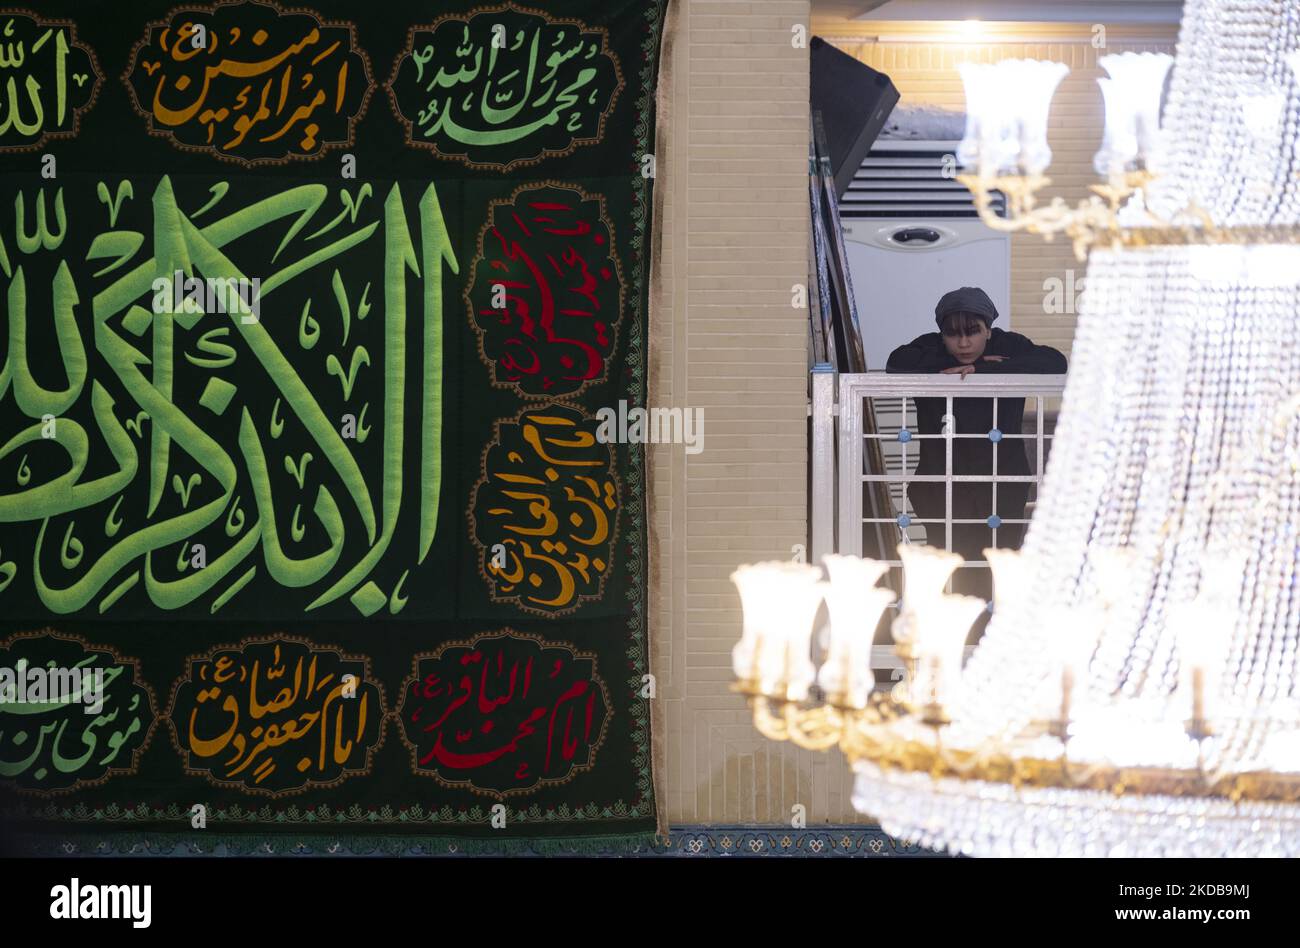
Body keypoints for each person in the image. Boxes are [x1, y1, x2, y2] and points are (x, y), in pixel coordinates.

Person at [886, 287, 1067, 624]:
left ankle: (990, 649)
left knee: (998, 572)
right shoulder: (929, 347)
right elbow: (896, 362)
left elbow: (1055, 362)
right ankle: (954, 643)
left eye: (973, 333)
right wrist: (959, 366)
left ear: (988, 329)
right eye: (953, 335)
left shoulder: (1009, 346)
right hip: (940, 486)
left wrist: (981, 370)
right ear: (942, 334)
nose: (964, 344)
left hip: (1002, 484)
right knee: (951, 571)